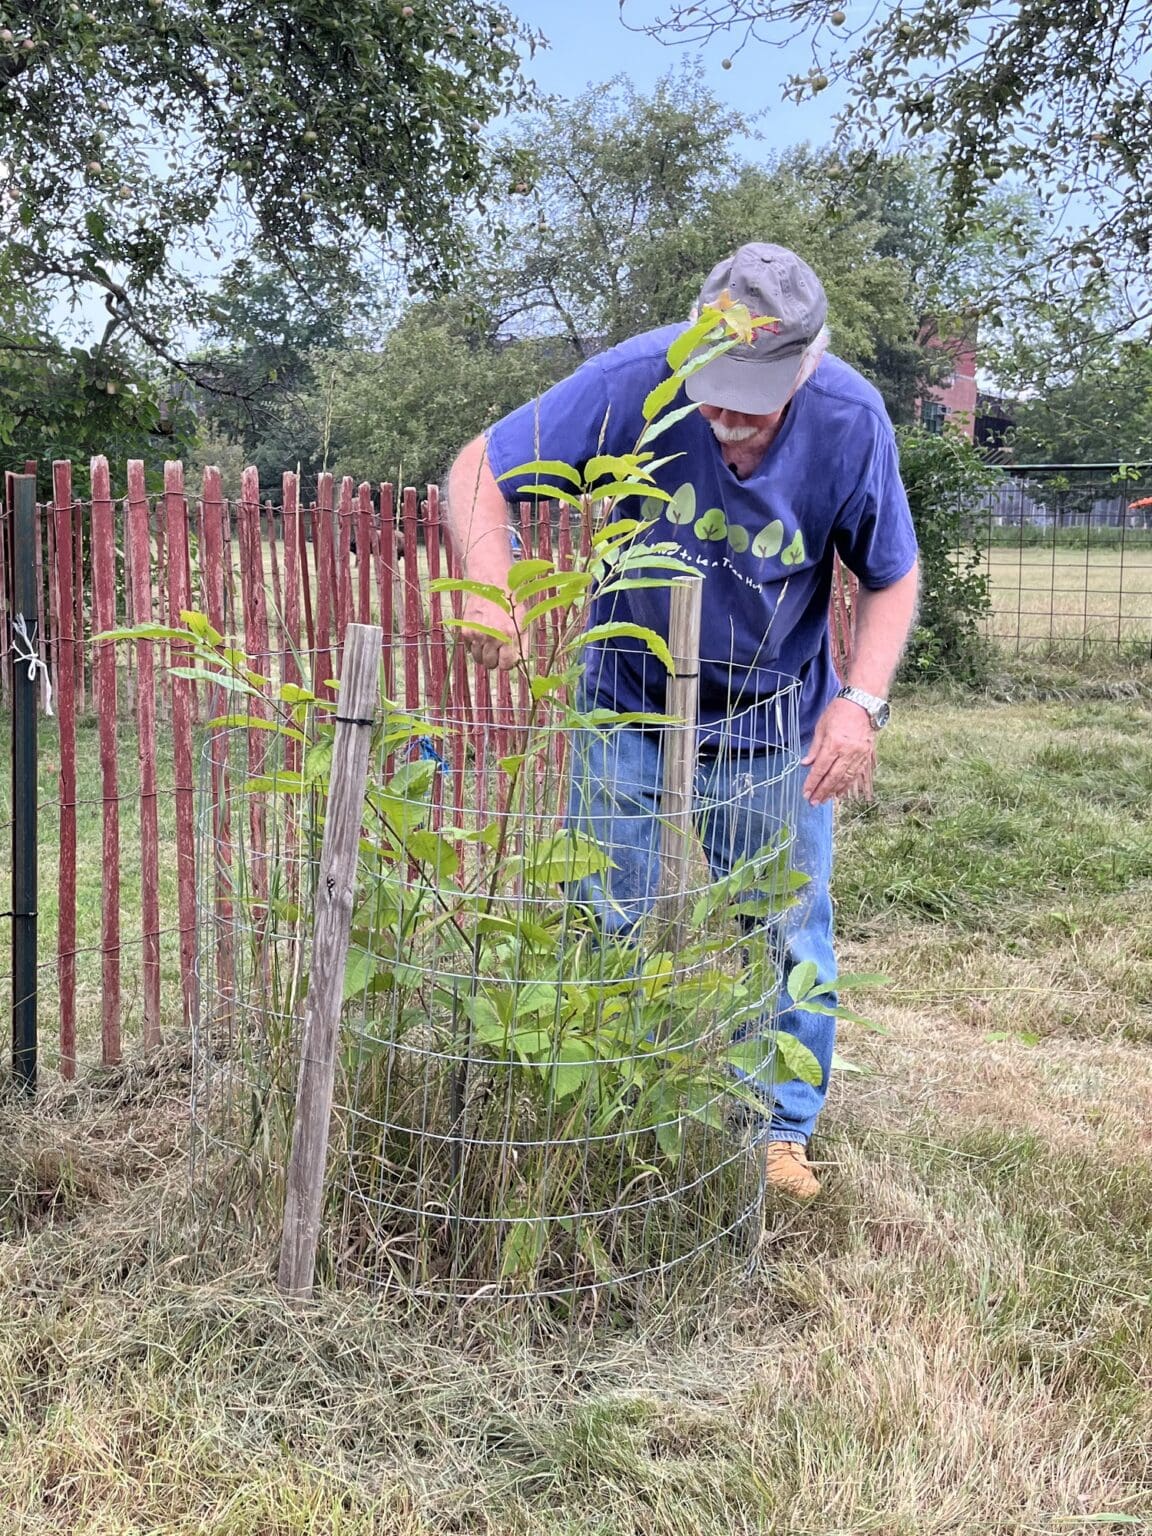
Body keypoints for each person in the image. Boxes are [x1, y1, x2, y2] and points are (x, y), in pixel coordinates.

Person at [445, 243, 920, 1199]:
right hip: (623, 699)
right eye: (714, 394)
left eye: (755, 402)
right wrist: (487, 585)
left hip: (768, 715)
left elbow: (891, 574)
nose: (730, 422)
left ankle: (775, 1131)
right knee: (600, 913)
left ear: (807, 368)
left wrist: (858, 706)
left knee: (781, 930)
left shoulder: (850, 421)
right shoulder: (635, 377)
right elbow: (478, 468)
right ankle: (599, 1110)